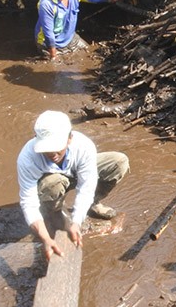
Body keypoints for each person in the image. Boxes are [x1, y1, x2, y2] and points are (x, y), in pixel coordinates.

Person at [17, 110, 130, 260]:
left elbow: (86, 187)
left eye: (57, 146)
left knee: (118, 162)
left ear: (70, 138)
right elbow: (28, 202)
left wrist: (76, 221)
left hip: (76, 171)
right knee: (54, 183)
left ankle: (93, 203)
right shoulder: (27, 158)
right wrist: (45, 238)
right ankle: (53, 211)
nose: (52, 153)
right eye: (46, 148)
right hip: (52, 182)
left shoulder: (83, 146)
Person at [34, 0, 118, 60]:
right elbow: (48, 32)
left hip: (71, 38)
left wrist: (108, 0)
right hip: (48, 43)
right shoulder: (46, 3)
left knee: (89, 52)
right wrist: (53, 54)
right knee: (58, 68)